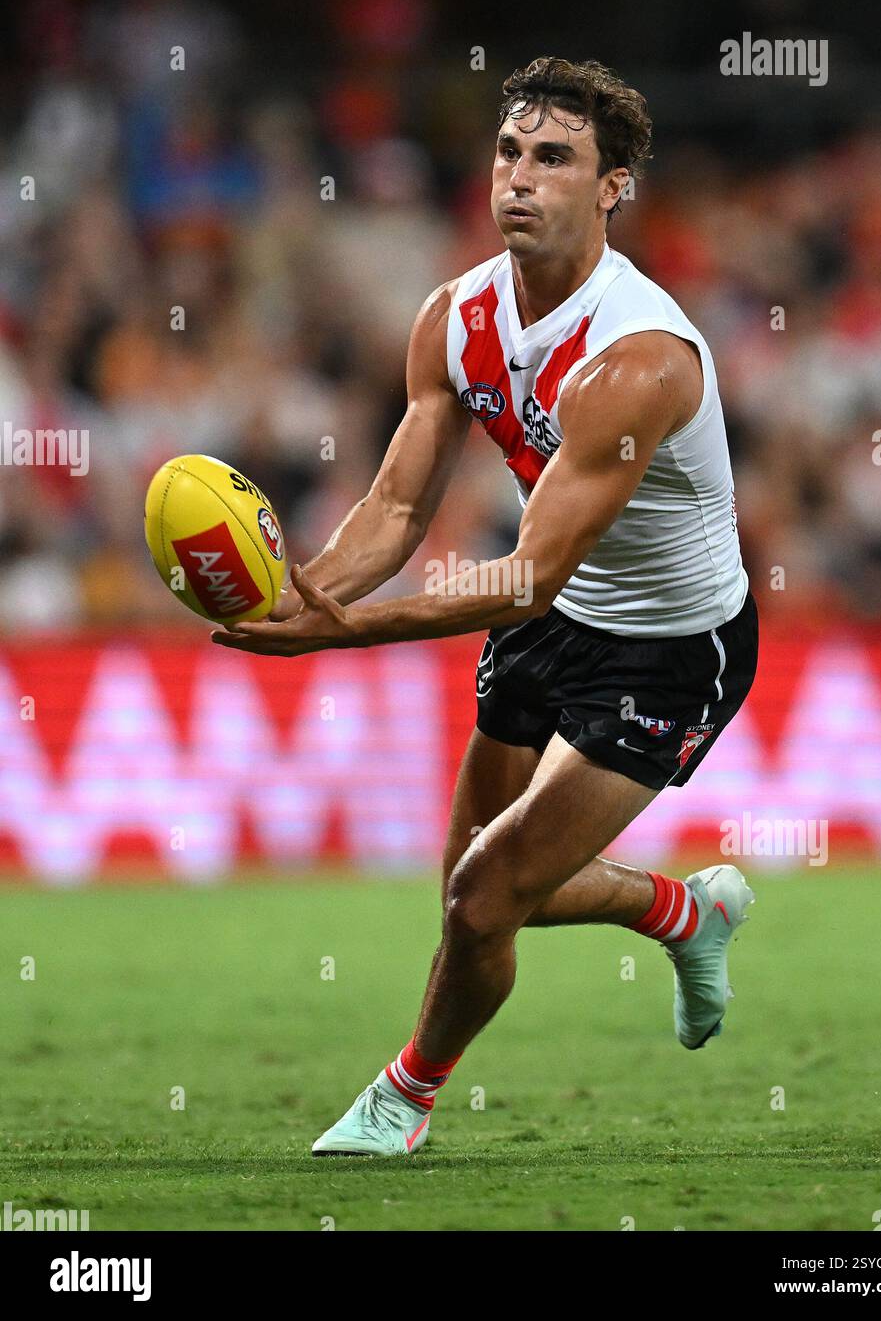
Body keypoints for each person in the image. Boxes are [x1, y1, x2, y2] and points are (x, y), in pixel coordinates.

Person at [212, 57, 760, 1157]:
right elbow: (395, 507)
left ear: (612, 187)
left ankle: (402, 1099)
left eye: (553, 157)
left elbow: (524, 575)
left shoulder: (636, 357)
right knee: (475, 894)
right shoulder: (452, 316)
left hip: (665, 647)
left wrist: (340, 635)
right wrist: (300, 591)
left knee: (480, 896)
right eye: (509, 151)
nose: (518, 176)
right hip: (548, 623)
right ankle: (680, 910)